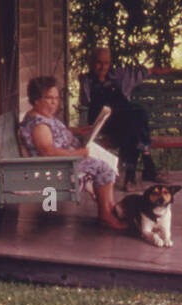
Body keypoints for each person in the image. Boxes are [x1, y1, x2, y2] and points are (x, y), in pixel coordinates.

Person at [20, 76, 127, 230]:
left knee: (105, 160)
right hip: (54, 168)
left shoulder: (43, 115)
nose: (54, 103)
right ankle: (106, 214)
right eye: (49, 98)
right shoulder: (39, 125)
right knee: (102, 167)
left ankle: (108, 207)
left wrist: (79, 131)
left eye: (56, 98)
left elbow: (56, 133)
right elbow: (48, 152)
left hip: (64, 160)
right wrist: (78, 153)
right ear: (36, 99)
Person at [78, 47, 171, 188]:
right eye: (99, 63)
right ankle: (146, 166)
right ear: (91, 62)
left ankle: (131, 175)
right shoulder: (86, 81)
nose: (103, 67)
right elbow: (87, 105)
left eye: (106, 63)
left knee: (134, 121)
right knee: (137, 116)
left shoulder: (119, 76)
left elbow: (149, 70)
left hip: (125, 121)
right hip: (104, 122)